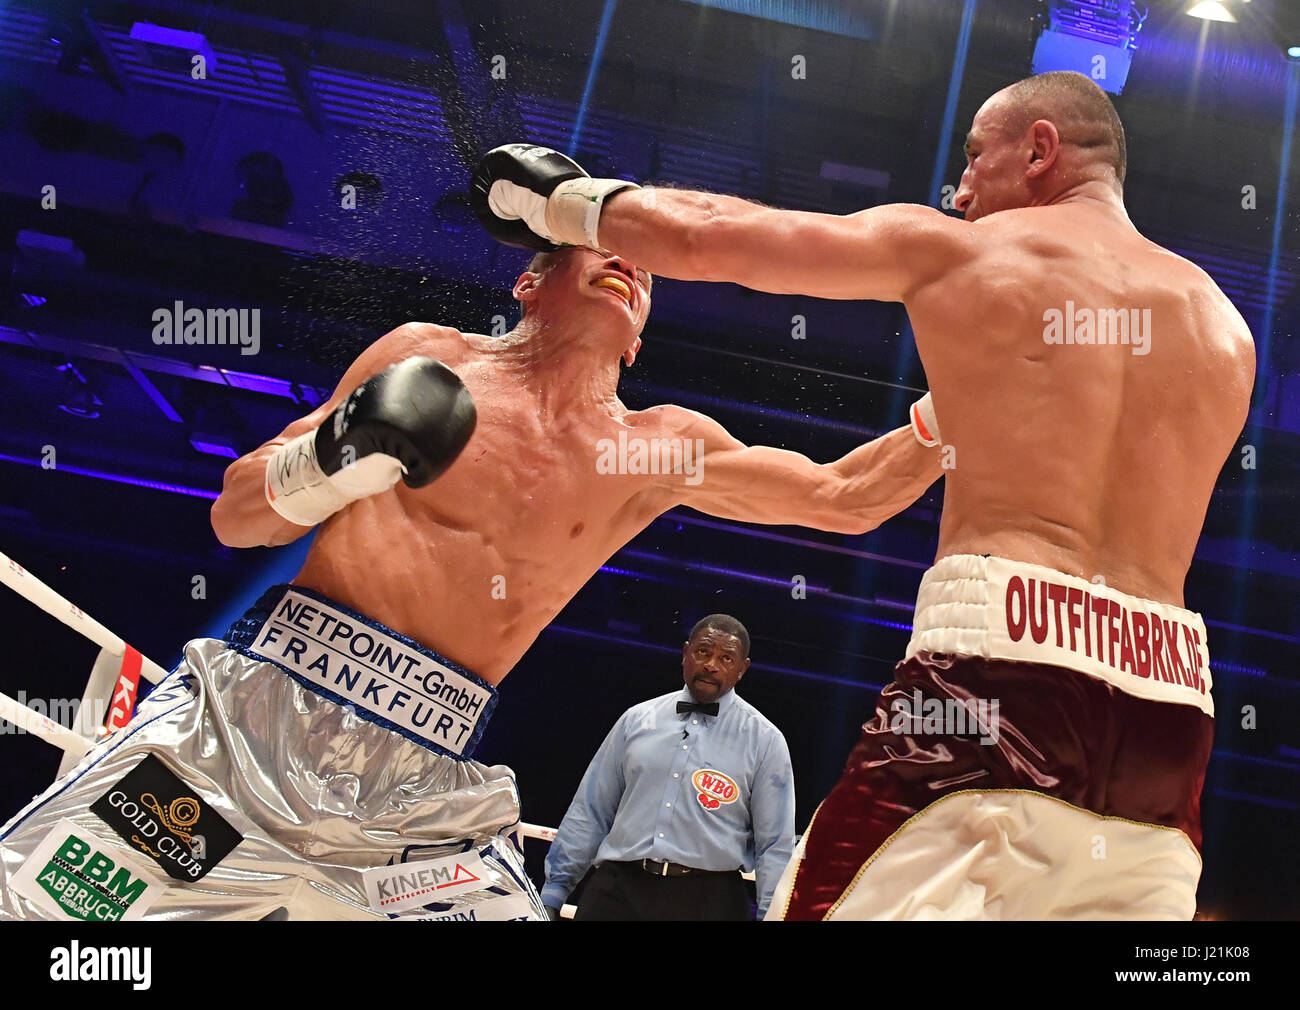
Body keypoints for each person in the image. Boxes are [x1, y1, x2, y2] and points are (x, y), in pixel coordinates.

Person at [473, 70, 1257, 920]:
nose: (959, 192)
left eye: (973, 157)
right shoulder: (1224, 327)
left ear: (1039, 151)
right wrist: (943, 418)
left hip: (995, 680)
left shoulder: (959, 251)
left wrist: (557, 205)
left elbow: (718, 236)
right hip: (1172, 721)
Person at [0, 242, 943, 920]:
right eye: (598, 247)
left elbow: (843, 498)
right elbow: (234, 513)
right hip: (246, 723)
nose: (630, 265)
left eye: (647, 269)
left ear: (640, 339)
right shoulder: (431, 357)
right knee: (53, 918)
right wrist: (328, 460)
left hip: (425, 787)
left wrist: (959, 411)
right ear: (531, 280)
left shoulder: (655, 449)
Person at [541, 615, 793, 921]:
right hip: (619, 887)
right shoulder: (637, 719)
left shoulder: (765, 741)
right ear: (685, 653)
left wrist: (774, 917)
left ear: (742, 669)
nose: (712, 664)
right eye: (703, 652)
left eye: (726, 658)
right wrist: (554, 893)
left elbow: (774, 846)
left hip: (709, 899)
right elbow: (591, 810)